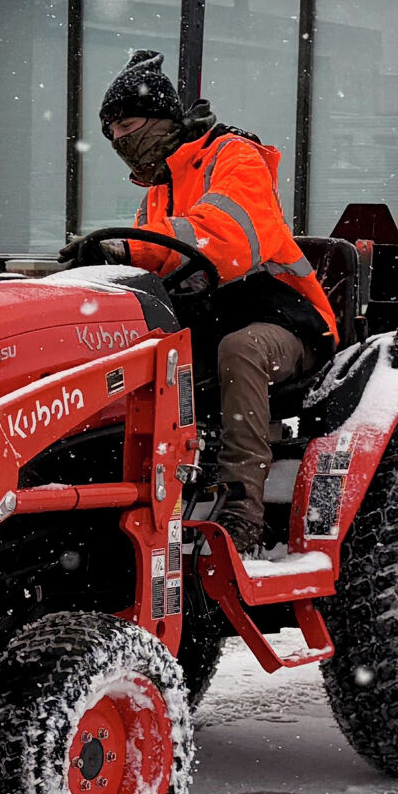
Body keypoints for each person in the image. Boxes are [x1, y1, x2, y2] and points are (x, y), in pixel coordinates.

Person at [95, 48, 338, 554]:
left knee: (240, 350)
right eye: (112, 133)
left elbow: (228, 237)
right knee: (136, 356)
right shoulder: (157, 192)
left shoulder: (234, 157)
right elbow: (158, 264)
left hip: (286, 320)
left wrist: (132, 249)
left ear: (162, 119)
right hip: (213, 319)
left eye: (129, 126)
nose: (121, 141)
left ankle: (241, 506)